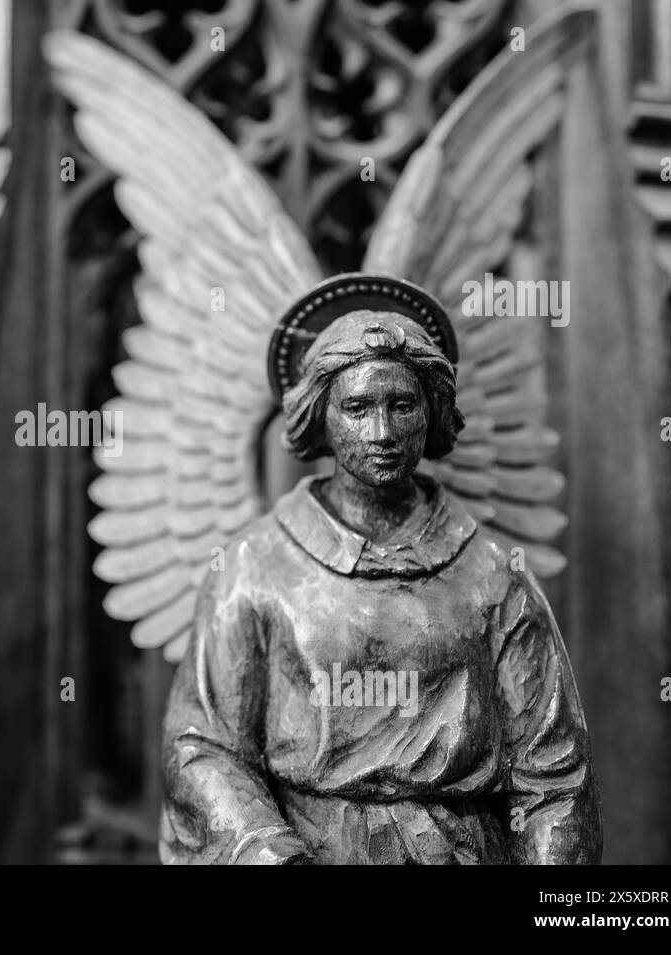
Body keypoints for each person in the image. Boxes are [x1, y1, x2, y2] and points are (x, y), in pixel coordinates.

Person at [160, 280, 602, 864]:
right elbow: (203, 745)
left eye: (402, 405)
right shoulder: (256, 566)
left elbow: (552, 775)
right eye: (358, 407)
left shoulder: (492, 574)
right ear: (321, 416)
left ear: (433, 409)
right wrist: (267, 854)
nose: (383, 434)